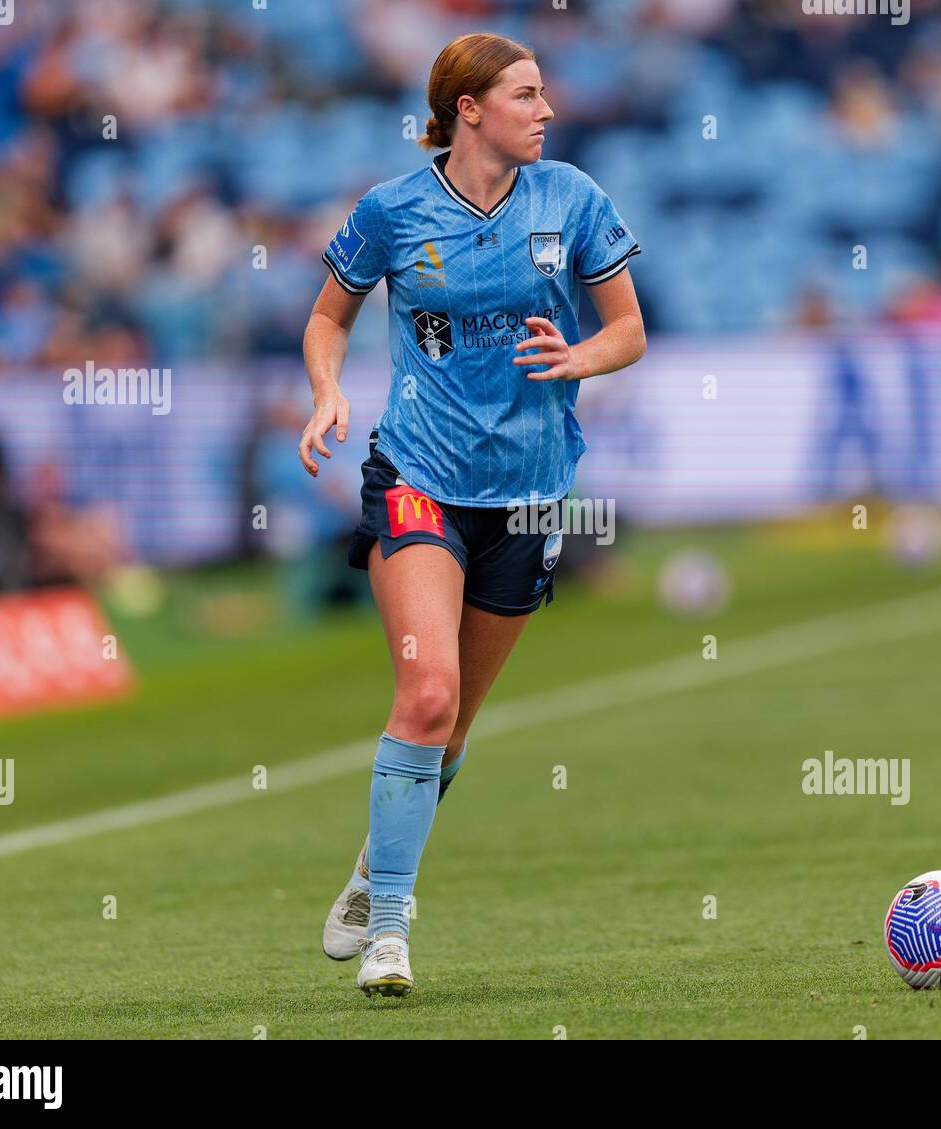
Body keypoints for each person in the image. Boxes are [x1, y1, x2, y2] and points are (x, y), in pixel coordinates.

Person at [300, 32, 645, 998]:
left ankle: (376, 869)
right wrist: (328, 391)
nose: (546, 110)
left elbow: (628, 329)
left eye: (544, 94)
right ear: (470, 109)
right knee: (428, 697)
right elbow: (328, 316)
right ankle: (392, 935)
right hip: (419, 474)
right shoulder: (393, 210)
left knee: (450, 734)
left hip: (531, 497)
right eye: (528, 95)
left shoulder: (572, 198)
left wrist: (583, 356)